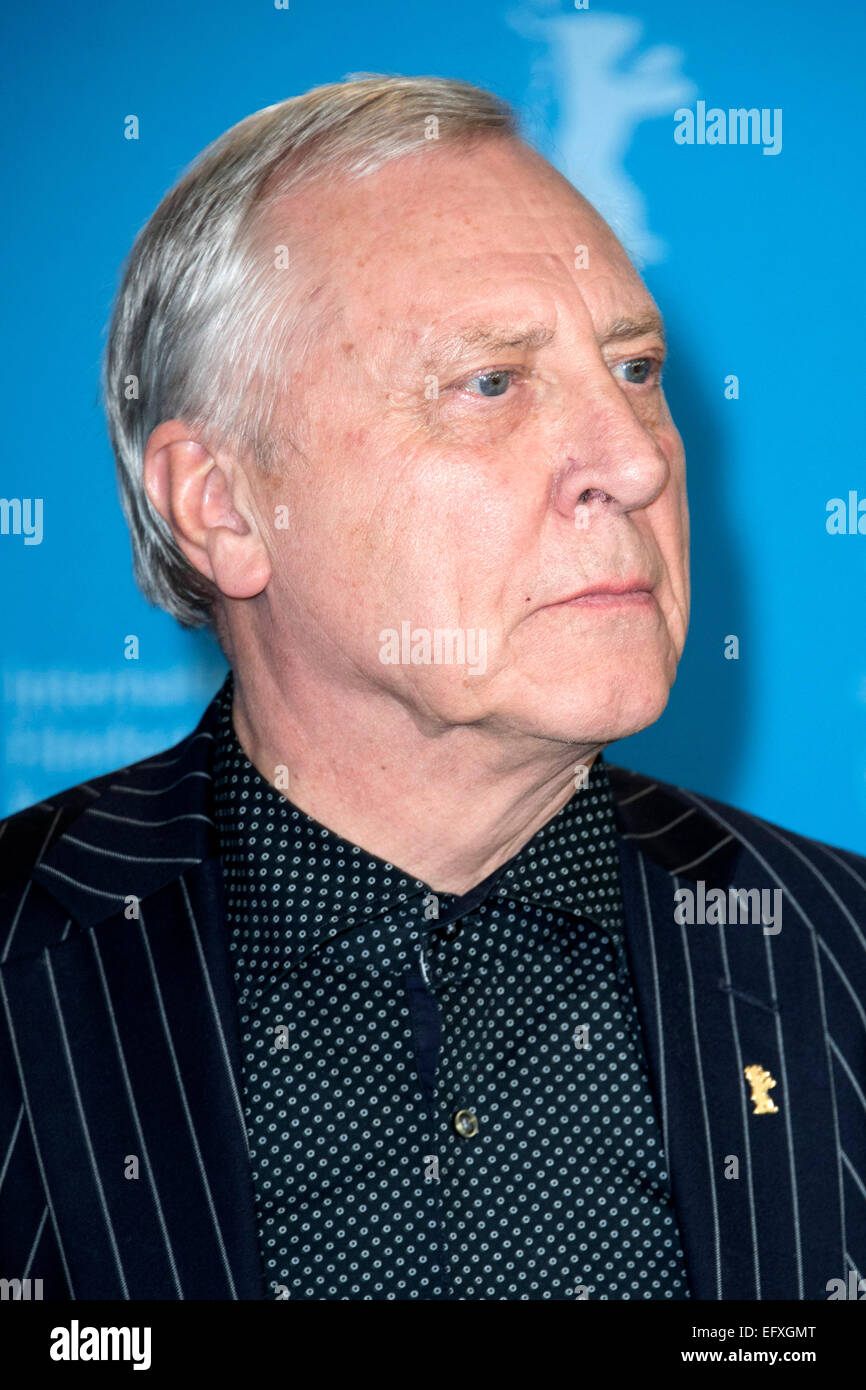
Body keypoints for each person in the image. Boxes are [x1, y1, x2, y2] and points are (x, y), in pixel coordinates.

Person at [1, 75, 863, 1302]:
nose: (631, 461)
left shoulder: (836, 951)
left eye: (633, 368)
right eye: (491, 383)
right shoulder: (26, 967)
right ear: (224, 507)